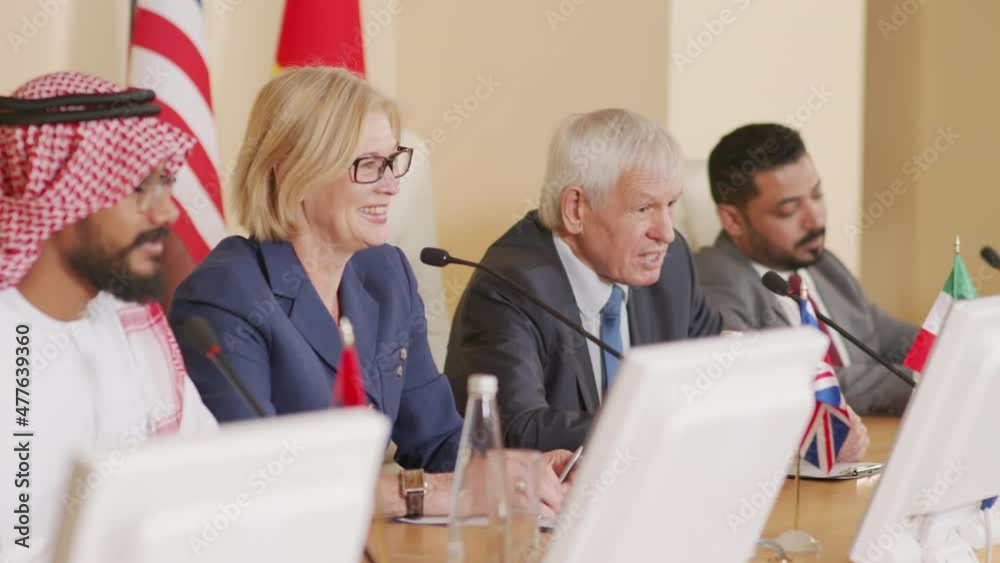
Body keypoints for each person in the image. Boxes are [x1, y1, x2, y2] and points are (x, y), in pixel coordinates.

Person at [167, 67, 572, 518]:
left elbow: (438, 439)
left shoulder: (386, 273)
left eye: (392, 160)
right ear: (293, 172)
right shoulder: (225, 296)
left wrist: (509, 472)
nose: (392, 185)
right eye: (368, 166)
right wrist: (429, 493)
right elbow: (257, 484)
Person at [0, 71, 217, 563]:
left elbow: (205, 478)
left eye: (165, 184)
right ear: (61, 193)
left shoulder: (133, 324)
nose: (168, 213)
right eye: (139, 188)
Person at [444, 109, 724, 452]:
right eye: (643, 209)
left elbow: (715, 366)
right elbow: (515, 429)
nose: (665, 232)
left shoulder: (673, 261)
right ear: (576, 209)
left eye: (671, 205)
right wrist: (652, 427)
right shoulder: (509, 286)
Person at [693, 123, 916, 417]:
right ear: (733, 219)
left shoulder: (822, 265)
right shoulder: (714, 282)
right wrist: (923, 382)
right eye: (789, 210)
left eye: (817, 195)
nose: (815, 220)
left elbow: (884, 333)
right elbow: (794, 381)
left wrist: (958, 350)